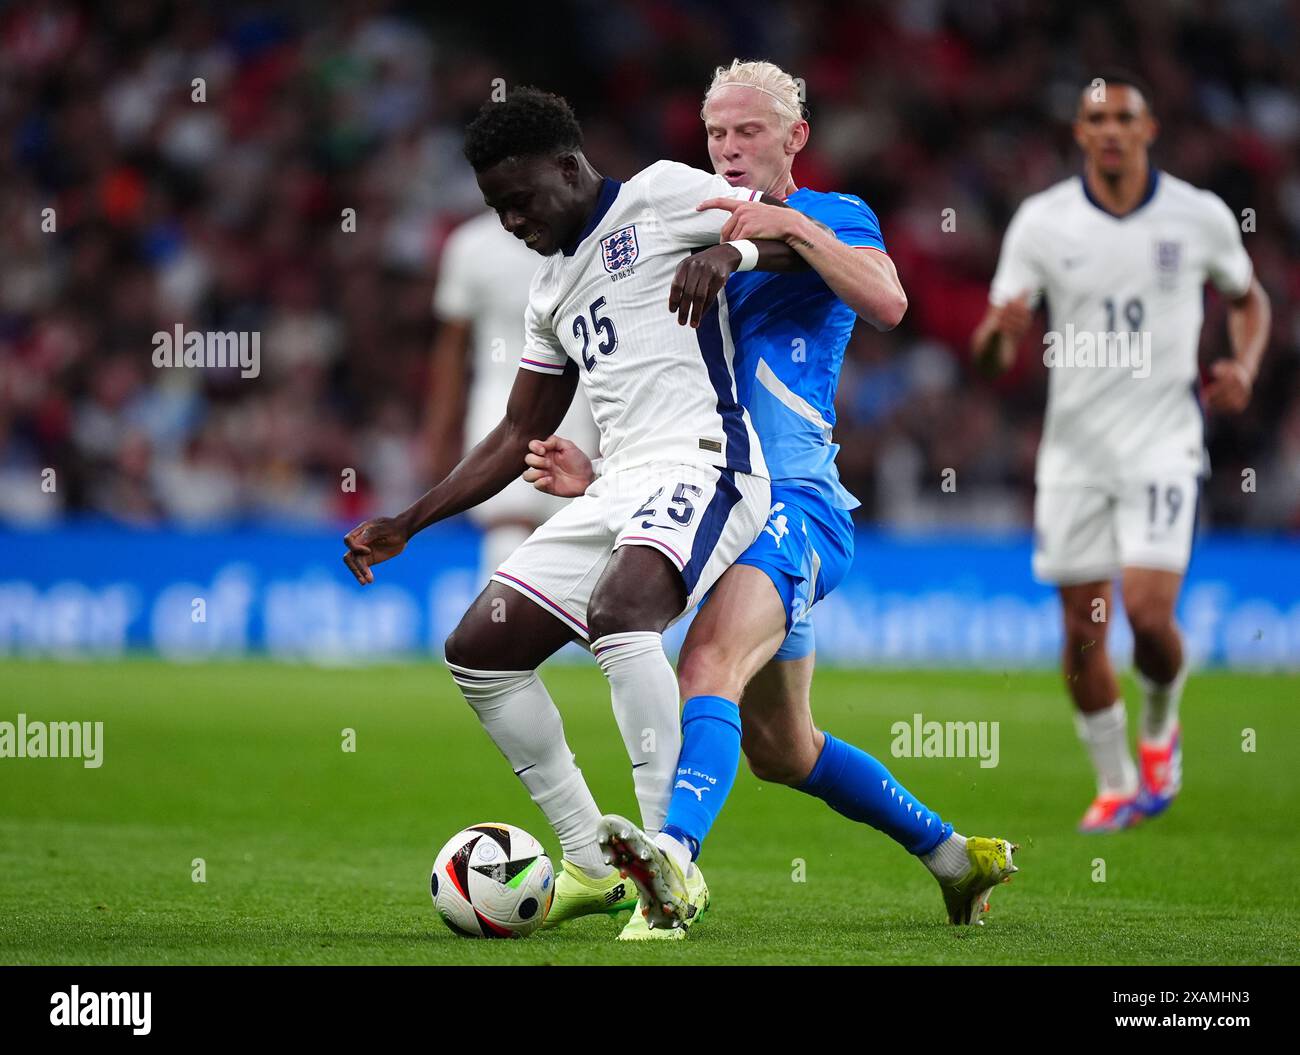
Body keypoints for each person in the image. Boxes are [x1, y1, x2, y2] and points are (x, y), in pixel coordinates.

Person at [525, 61, 1018, 938]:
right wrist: (599, 473)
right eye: (715, 134)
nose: (727, 148)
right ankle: (954, 856)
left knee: (703, 665)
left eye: (747, 131)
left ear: (794, 137)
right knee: (784, 750)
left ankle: (671, 862)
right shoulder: (683, 229)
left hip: (794, 500)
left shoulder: (832, 217)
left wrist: (767, 233)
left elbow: (890, 301)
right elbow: (667, 391)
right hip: (710, 497)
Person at [343, 86, 807, 928]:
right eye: (495, 209)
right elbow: (520, 426)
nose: (512, 222)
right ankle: (594, 862)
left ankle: (673, 858)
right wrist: (409, 520)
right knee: (478, 648)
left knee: (621, 612)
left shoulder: (664, 193)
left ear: (568, 167)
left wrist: (731, 254)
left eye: (519, 202)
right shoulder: (549, 289)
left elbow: (801, 239)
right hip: (621, 482)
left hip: (711, 463)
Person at [971, 70, 1271, 832]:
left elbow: (1248, 299)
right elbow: (989, 359)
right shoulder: (1042, 222)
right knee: (1081, 633)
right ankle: (1115, 782)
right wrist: (999, 333)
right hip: (1073, 454)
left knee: (1145, 609)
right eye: (1094, 117)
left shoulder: (1197, 216)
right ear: (1080, 133)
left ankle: (1161, 724)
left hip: (1164, 443)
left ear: (1147, 130)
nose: (1108, 129)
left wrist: (1244, 364)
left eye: (1122, 118)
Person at [424, 210, 599, 587]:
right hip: (501, 401)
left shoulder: (587, 234)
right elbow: (452, 348)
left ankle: (543, 630)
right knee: (508, 522)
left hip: (582, 399)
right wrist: (440, 430)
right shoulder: (471, 246)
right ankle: (495, 634)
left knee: (570, 526)